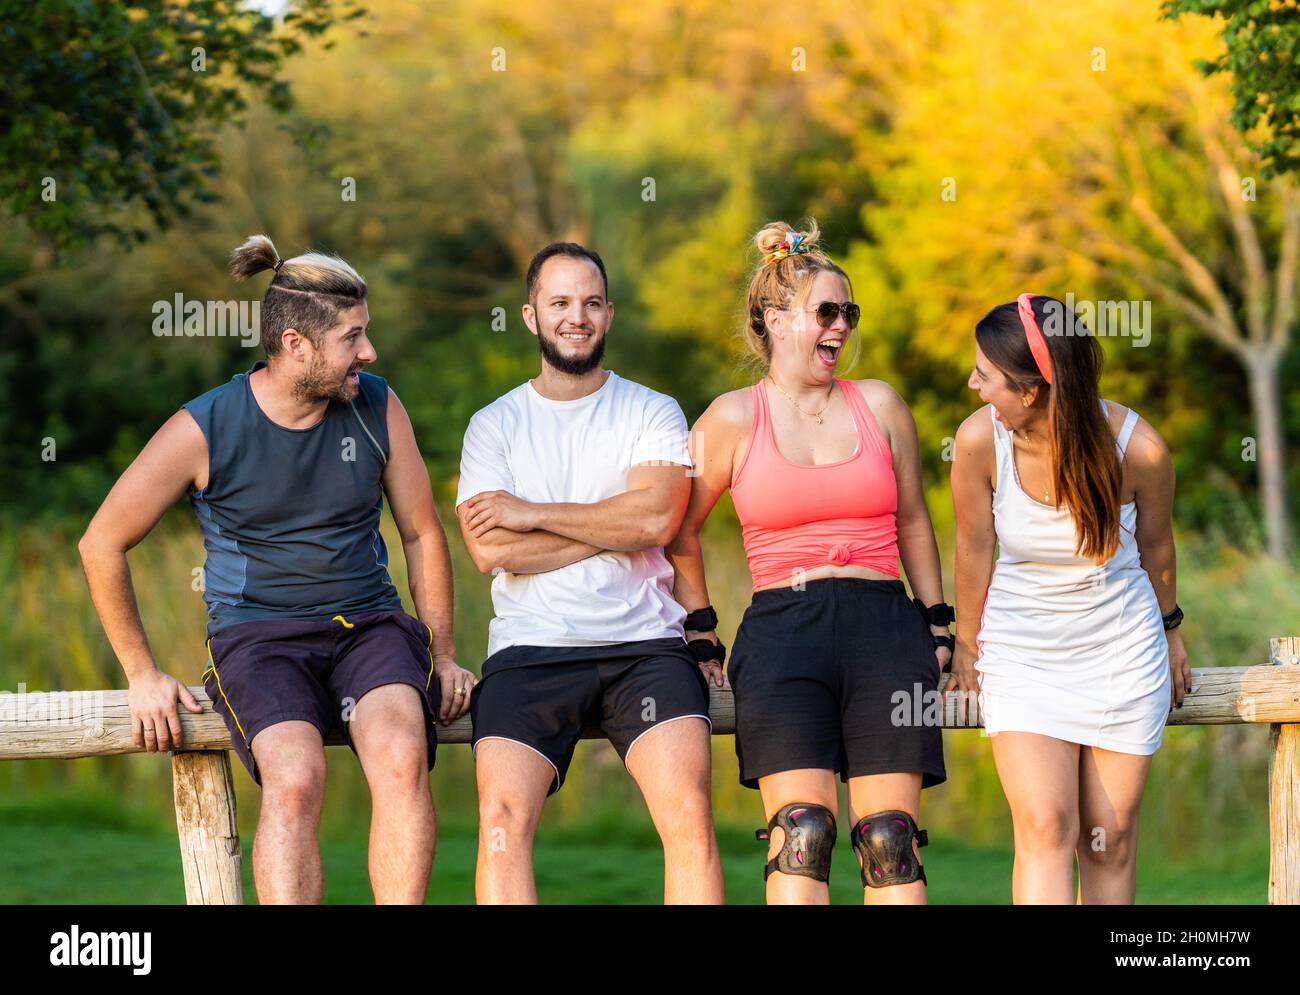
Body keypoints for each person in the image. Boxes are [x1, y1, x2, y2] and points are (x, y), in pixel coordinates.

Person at [78, 235, 473, 904]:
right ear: (296, 344)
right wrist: (141, 672)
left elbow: (421, 531)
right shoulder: (205, 426)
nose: (369, 353)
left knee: (403, 758)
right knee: (295, 778)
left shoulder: (378, 406)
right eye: (353, 338)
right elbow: (101, 542)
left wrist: (444, 651)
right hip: (259, 638)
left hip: (369, 627)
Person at [666, 220, 951, 905]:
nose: (841, 328)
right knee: (803, 834)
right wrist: (702, 632)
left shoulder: (879, 403)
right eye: (827, 312)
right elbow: (679, 532)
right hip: (782, 633)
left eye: (849, 314)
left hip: (885, 628)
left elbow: (913, 517)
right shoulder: (730, 419)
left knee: (890, 841)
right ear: (775, 318)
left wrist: (939, 627)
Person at [456, 241, 724, 904]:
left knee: (687, 813)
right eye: (561, 303)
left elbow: (659, 521)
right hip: (530, 648)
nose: (578, 316)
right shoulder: (494, 425)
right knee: (501, 823)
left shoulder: (651, 409)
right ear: (530, 316)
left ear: (609, 314)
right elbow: (492, 551)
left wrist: (531, 513)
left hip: (646, 648)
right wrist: (615, 531)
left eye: (592, 303)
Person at [948, 293, 1189, 904]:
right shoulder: (980, 442)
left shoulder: (1140, 450)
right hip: (1024, 654)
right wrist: (966, 647)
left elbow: (1158, 550)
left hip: (1121, 653)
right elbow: (973, 549)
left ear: (1029, 390)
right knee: (1046, 825)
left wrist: (1171, 630)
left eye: (986, 375)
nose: (974, 385)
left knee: (1109, 835)